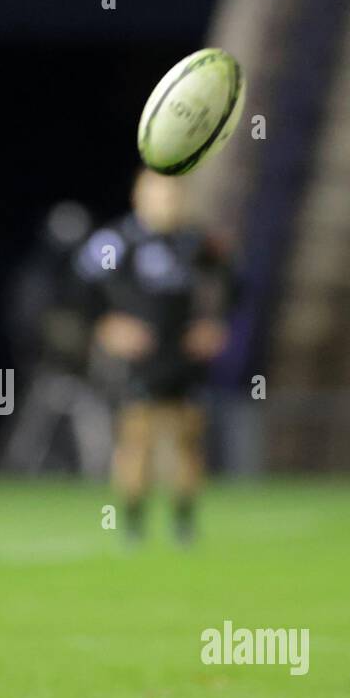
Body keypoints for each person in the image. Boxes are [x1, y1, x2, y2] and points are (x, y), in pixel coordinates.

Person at [74, 168, 233, 545]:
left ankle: (184, 523)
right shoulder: (117, 242)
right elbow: (78, 288)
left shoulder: (197, 242)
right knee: (137, 439)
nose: (168, 202)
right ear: (138, 196)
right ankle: (132, 525)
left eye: (173, 195)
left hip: (184, 357)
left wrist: (214, 324)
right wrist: (106, 325)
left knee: (187, 438)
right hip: (137, 360)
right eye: (159, 194)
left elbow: (233, 283)